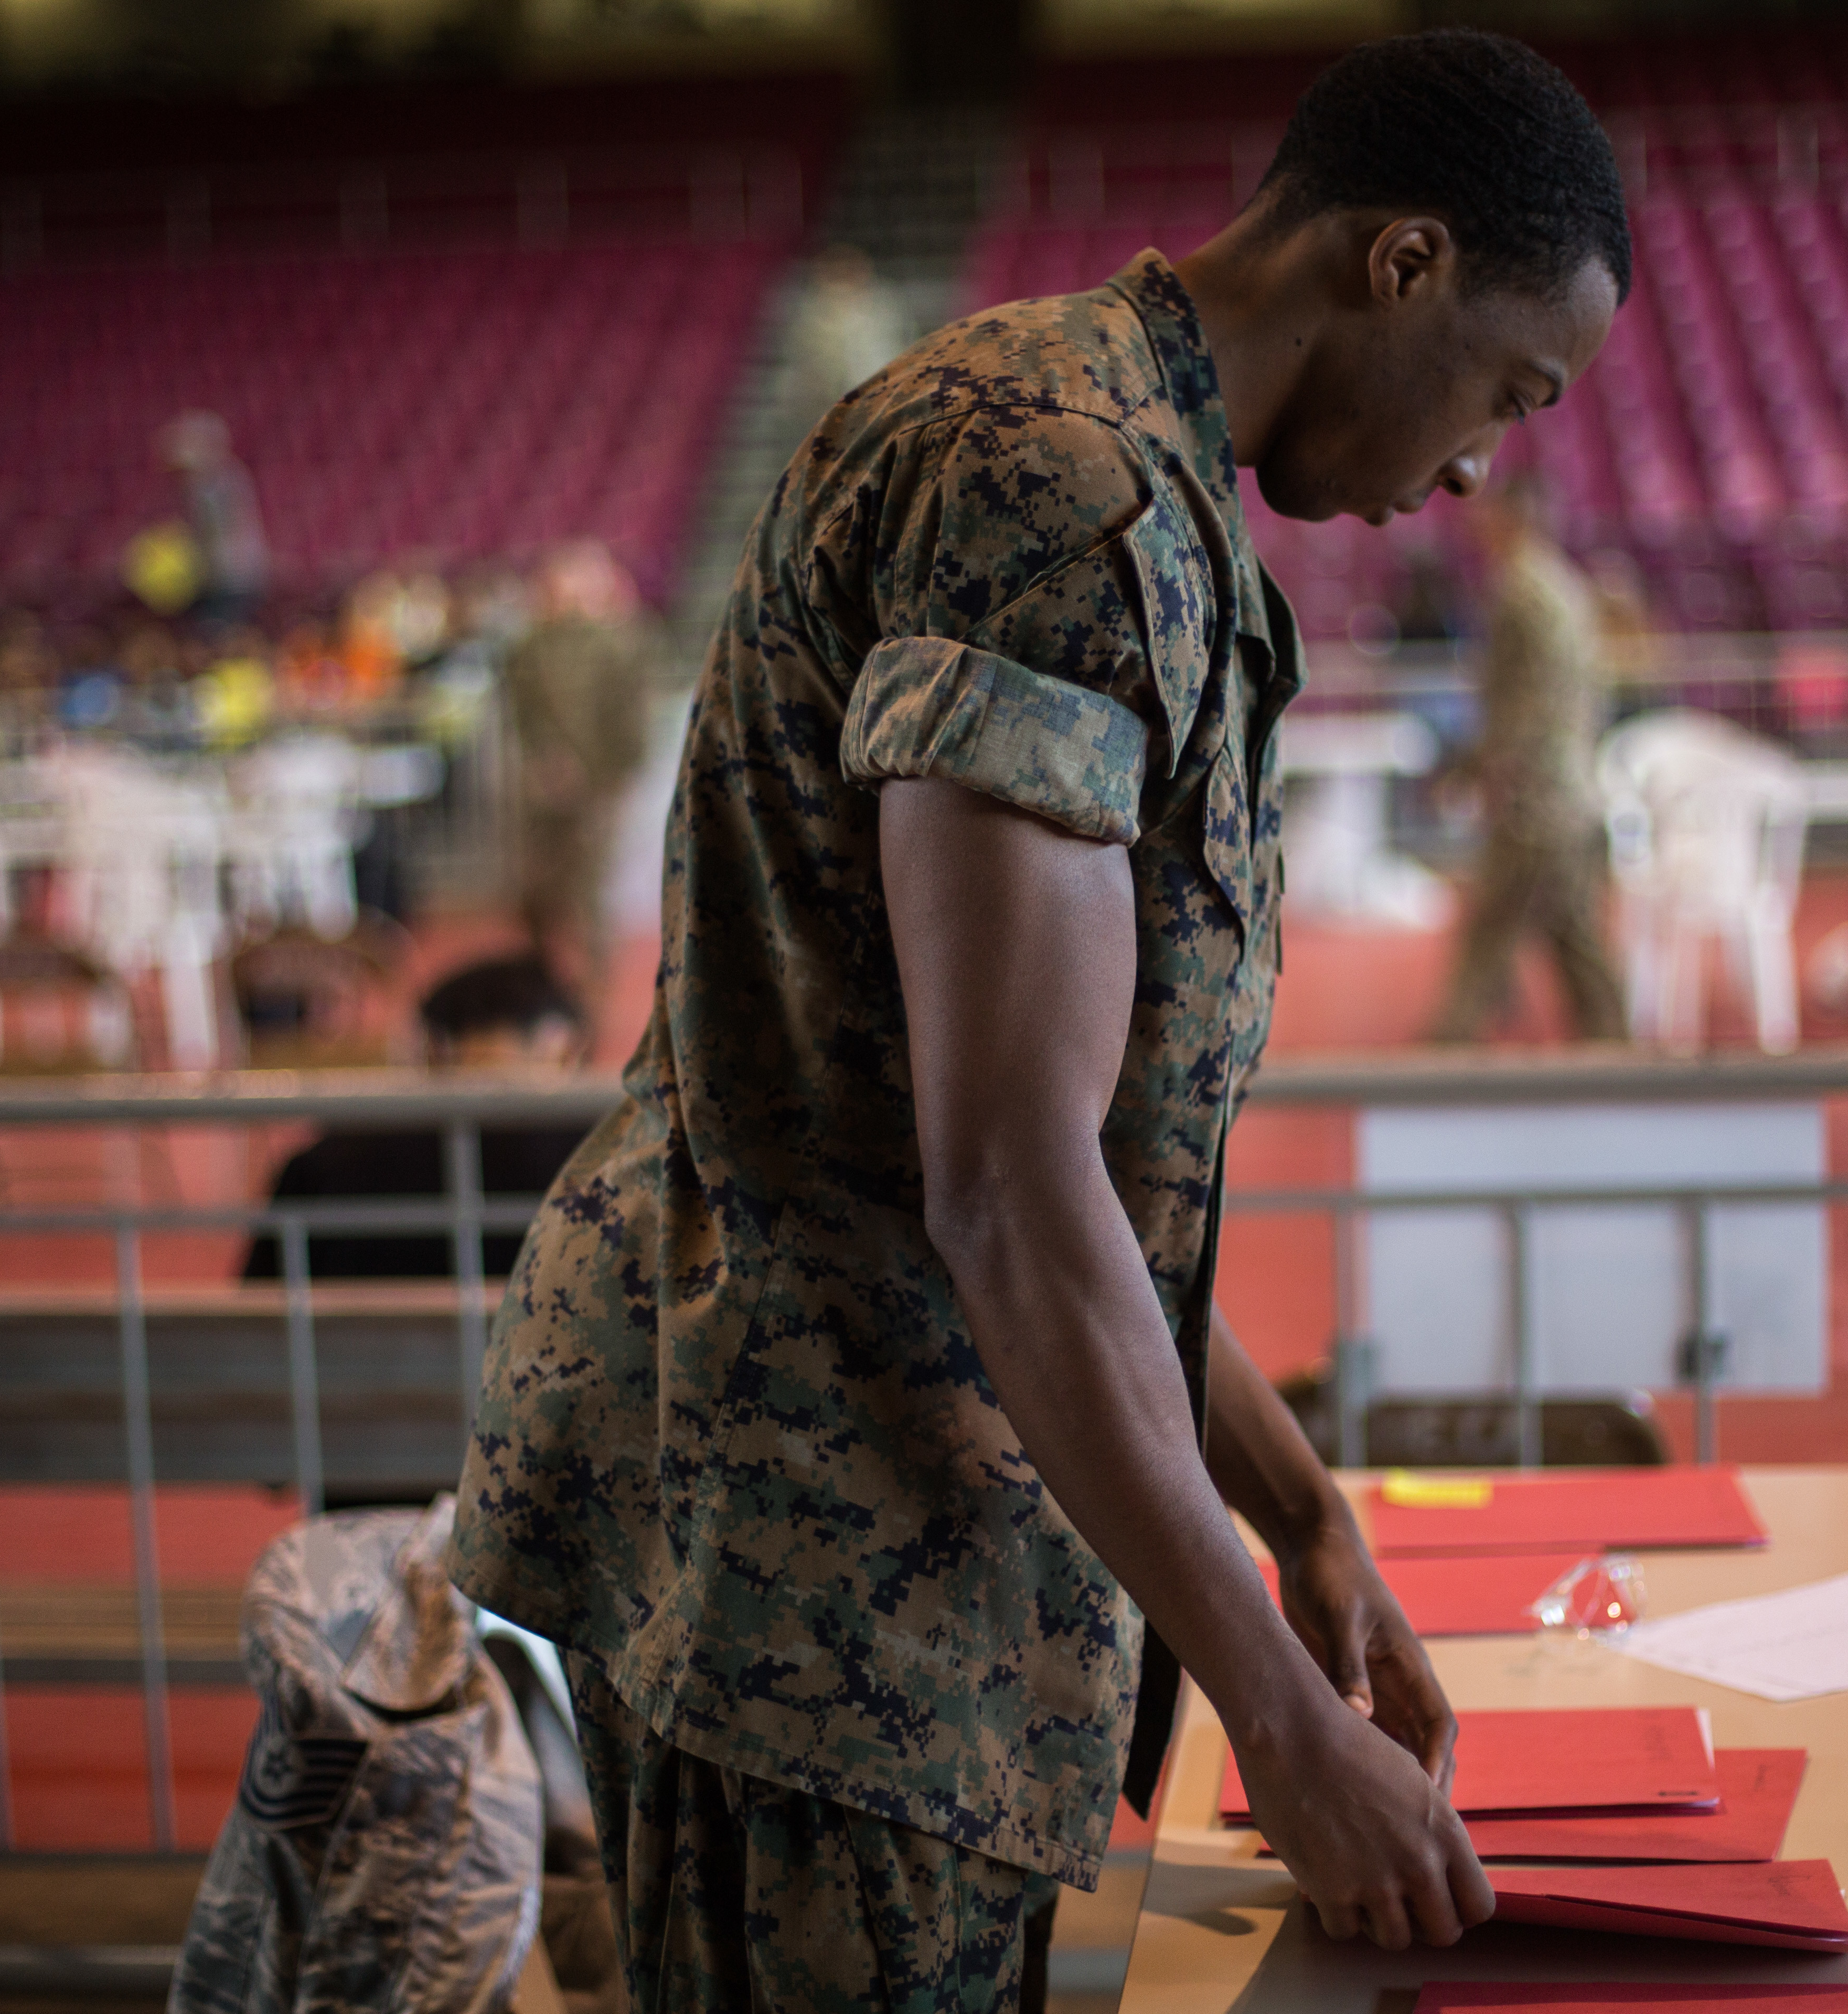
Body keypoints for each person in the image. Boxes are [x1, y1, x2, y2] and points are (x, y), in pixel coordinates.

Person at [447, 28, 1626, 2013]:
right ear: (1399, 262)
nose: (1475, 467)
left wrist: (1300, 1512)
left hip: (858, 1503)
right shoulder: (1056, 494)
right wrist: (1274, 1711)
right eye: (1506, 390)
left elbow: (1077, 1164)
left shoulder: (1109, 457)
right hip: (811, 1550)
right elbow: (1001, 1181)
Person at [239, 955, 596, 1283]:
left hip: (354, 1353)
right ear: (568, 1050)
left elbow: (254, 1319)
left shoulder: (325, 1166)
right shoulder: (619, 1160)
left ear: (431, 1051)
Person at [1432, 484, 1629, 1043]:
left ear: (1510, 519)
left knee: (1492, 931)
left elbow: (1524, 703)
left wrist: (1485, 768)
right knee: (1571, 933)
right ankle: (1614, 1044)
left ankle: (1447, 1052)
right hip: (1565, 787)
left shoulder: (1521, 591)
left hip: (1536, 795)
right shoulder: (1562, 585)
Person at [503, 540, 654, 987]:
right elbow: (523, 710)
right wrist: (547, 760)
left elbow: (631, 721)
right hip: (543, 789)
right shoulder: (531, 645)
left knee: (591, 896)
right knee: (536, 893)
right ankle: (541, 978)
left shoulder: (622, 642)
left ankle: (592, 1003)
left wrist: (608, 780)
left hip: (601, 788)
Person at [779, 242, 913, 432]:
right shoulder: (811, 311)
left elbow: (895, 351)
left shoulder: (883, 305)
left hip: (875, 399)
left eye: (847, 272)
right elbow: (805, 363)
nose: (840, 279)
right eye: (834, 273)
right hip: (824, 406)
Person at [159, 411, 270, 623]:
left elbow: (213, 535)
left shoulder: (213, 485)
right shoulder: (224, 478)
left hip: (231, 579)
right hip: (230, 578)